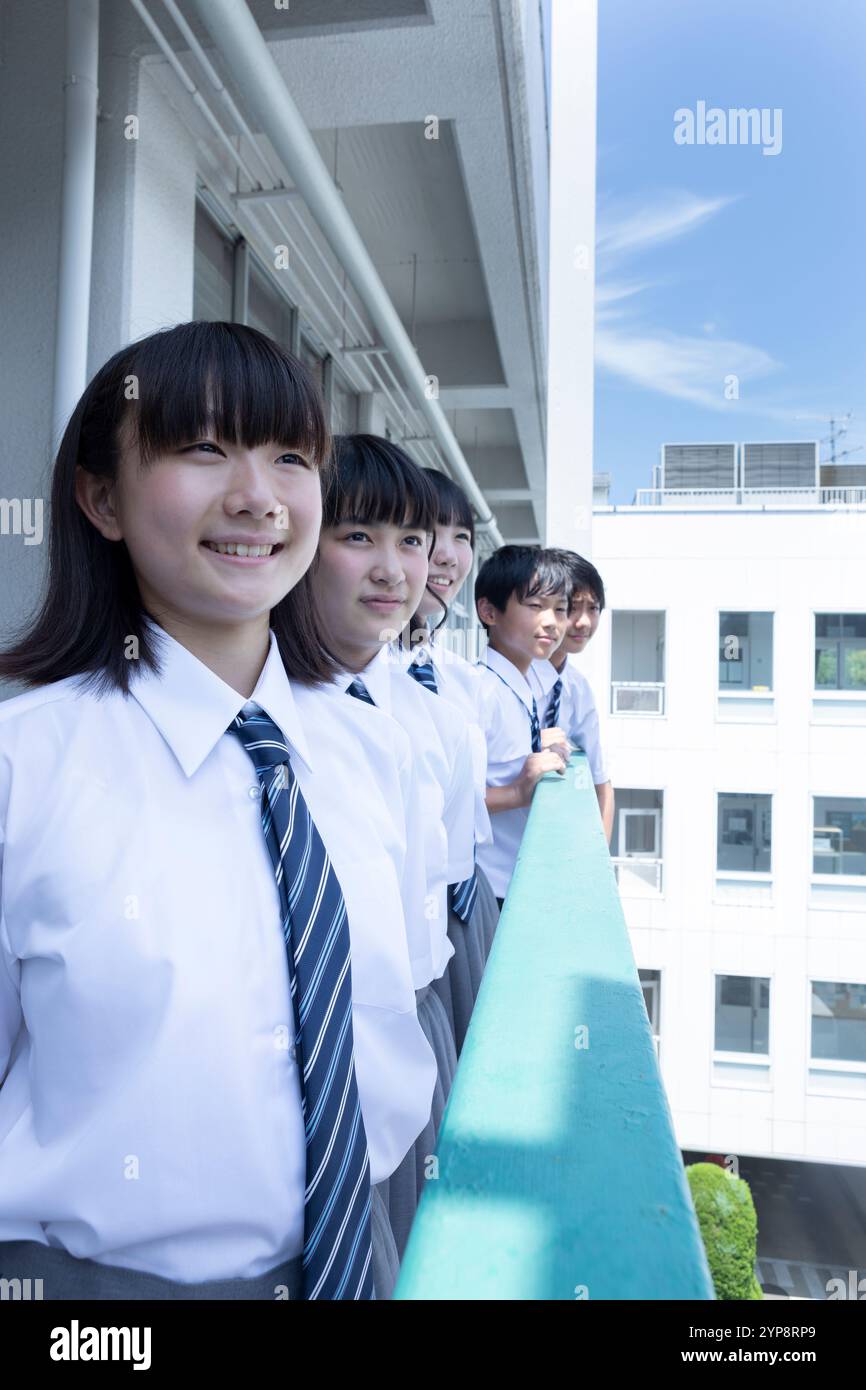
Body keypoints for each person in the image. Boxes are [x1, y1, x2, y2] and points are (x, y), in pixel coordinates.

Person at [0, 321, 435, 1301]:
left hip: (354, 1256)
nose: (257, 496)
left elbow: (386, 1021)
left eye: (290, 456)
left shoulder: (371, 748)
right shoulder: (22, 771)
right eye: (203, 448)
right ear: (101, 498)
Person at [306, 434, 476, 1257]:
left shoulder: (404, 708)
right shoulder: (274, 717)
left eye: (412, 540)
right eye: (358, 536)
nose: (395, 568)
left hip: (407, 1024)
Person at [409, 467, 500, 1054]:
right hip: (410, 919)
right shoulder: (354, 680)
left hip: (467, 903)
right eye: (425, 534)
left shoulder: (465, 681)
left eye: (461, 536)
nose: (446, 554)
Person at [474, 545, 574, 908]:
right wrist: (517, 792)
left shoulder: (522, 682)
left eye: (560, 609)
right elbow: (446, 801)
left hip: (515, 880)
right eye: (535, 606)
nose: (552, 622)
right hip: (489, 888)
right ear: (489, 611)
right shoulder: (479, 691)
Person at [531, 549, 614, 842]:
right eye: (572, 607)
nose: (583, 622)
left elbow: (601, 782)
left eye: (593, 608)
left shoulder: (577, 688)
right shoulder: (506, 676)